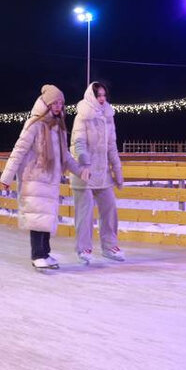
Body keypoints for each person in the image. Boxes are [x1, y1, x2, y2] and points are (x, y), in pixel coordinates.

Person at [0, 85, 90, 271]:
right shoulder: (34, 124)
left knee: (46, 218)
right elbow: (19, 150)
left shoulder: (59, 128)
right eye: (54, 102)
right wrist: (7, 176)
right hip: (34, 178)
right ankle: (37, 255)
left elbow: (65, 157)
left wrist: (80, 171)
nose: (58, 106)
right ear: (46, 104)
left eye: (61, 103)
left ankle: (45, 253)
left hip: (50, 179)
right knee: (37, 218)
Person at [69, 82, 126, 264]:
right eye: (98, 95)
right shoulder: (83, 116)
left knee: (110, 209)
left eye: (104, 95)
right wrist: (84, 163)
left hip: (102, 173)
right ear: (92, 97)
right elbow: (78, 143)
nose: (102, 99)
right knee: (85, 214)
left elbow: (111, 147)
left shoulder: (108, 116)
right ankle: (84, 249)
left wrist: (117, 172)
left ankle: (109, 246)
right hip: (84, 172)